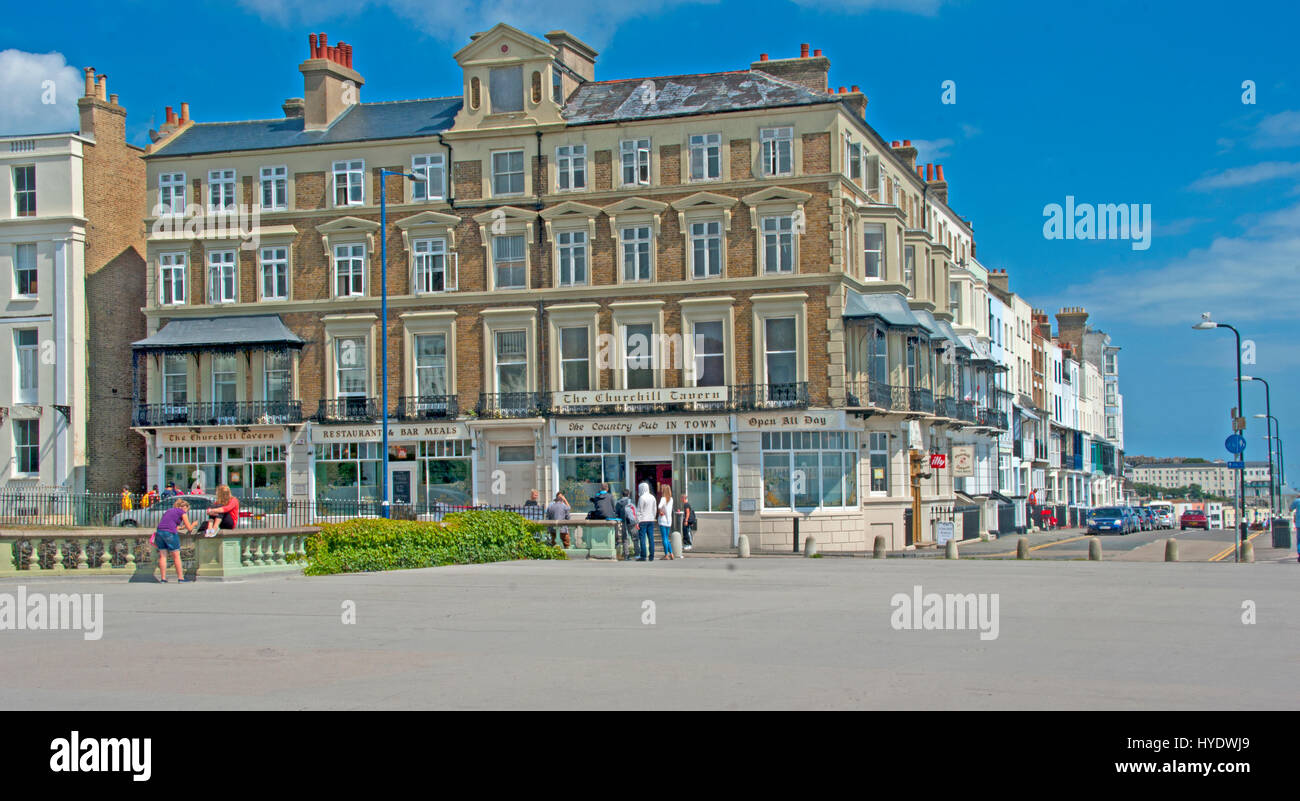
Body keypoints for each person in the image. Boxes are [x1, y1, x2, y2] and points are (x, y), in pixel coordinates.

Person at [154, 497, 196, 583]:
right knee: (176, 555)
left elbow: (169, 523)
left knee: (163, 556)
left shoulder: (169, 511)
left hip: (159, 532)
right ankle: (181, 578)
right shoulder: (182, 512)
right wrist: (194, 524)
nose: (187, 512)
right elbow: (189, 528)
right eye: (187, 510)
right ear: (185, 507)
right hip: (170, 533)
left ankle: (163, 579)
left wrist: (180, 527)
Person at [636, 482, 657, 561]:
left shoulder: (642, 498)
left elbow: (639, 510)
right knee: (651, 538)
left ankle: (643, 556)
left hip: (643, 520)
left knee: (642, 538)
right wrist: (653, 517)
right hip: (651, 519)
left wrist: (637, 521)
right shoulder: (652, 497)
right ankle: (651, 556)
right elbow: (654, 509)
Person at [614, 487, 637, 560]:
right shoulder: (631, 502)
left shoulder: (618, 502)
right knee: (635, 538)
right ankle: (637, 554)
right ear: (628, 494)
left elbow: (616, 513)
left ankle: (626, 555)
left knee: (625, 539)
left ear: (622, 494)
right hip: (632, 522)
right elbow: (635, 513)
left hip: (623, 522)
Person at [658, 484, 675, 560]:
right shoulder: (671, 499)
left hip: (663, 520)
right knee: (667, 538)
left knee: (664, 538)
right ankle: (671, 553)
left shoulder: (663, 498)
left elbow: (659, 506)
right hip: (669, 521)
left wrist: (661, 511)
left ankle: (666, 554)